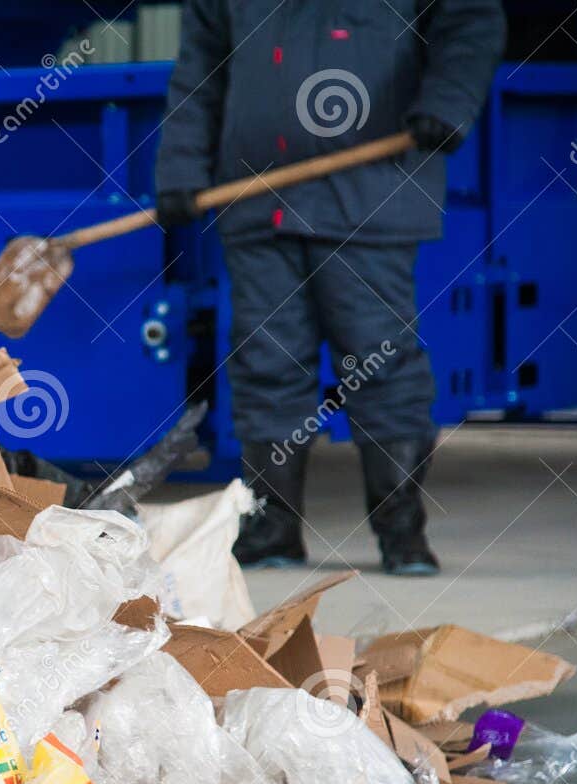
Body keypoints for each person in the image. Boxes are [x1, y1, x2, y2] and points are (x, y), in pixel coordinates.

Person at [155, 0, 505, 575]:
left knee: (380, 364)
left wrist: (447, 102)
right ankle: (272, 533)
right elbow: (200, 69)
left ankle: (402, 539)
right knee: (265, 365)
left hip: (370, 200)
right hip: (256, 200)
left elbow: (470, 19)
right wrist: (179, 169)